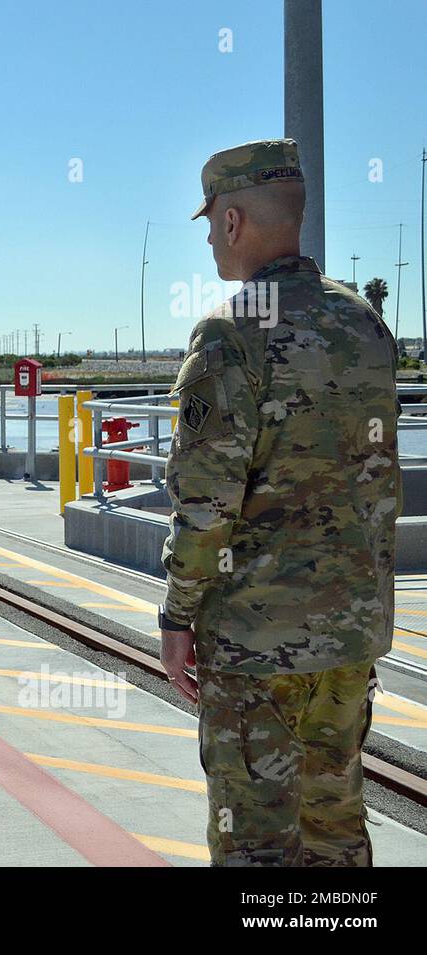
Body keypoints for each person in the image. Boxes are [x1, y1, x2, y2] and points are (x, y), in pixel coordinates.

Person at [158, 139, 400, 866]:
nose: (207, 239)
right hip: (351, 632)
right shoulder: (364, 323)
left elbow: (206, 502)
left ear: (233, 221)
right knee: (335, 825)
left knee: (255, 840)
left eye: (209, 224)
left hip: (257, 643)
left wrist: (177, 614)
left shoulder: (231, 332)